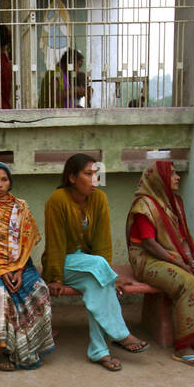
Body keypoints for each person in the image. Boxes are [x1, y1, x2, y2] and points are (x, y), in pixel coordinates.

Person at [126, 160, 194, 367]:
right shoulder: (144, 205)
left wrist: (190, 261)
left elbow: (182, 239)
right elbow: (150, 245)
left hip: (171, 257)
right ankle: (185, 346)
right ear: (159, 179)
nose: (178, 177)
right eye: (173, 174)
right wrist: (181, 264)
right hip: (147, 260)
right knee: (189, 283)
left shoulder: (174, 203)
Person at [43, 154, 147, 371]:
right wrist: (54, 278)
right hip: (63, 263)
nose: (94, 179)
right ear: (72, 177)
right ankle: (120, 334)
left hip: (91, 267)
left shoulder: (99, 199)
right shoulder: (58, 199)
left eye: (96, 174)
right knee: (100, 271)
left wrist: (107, 277)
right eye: (88, 174)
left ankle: (99, 351)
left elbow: (103, 242)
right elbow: (55, 242)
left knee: (97, 285)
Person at [0, 162, 54, 370]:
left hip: (21, 264)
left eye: (4, 180)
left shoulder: (20, 206)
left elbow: (26, 240)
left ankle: (31, 346)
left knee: (39, 290)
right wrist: (2, 269)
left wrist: (19, 270)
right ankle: (1, 351)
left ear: (10, 182)